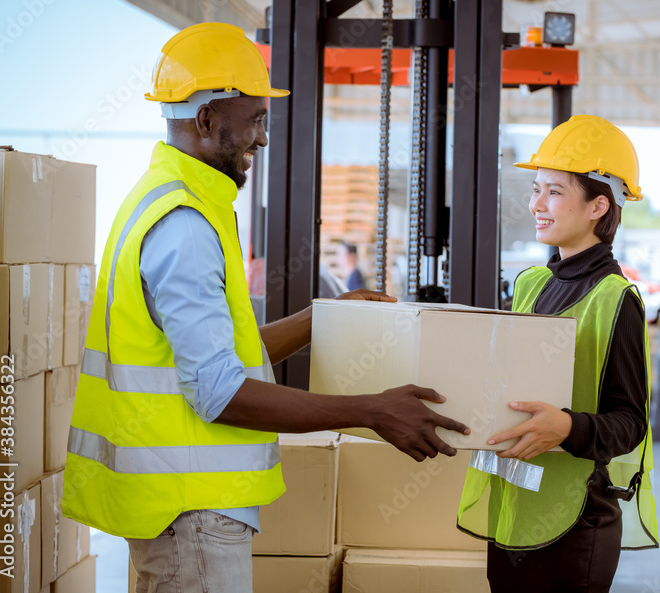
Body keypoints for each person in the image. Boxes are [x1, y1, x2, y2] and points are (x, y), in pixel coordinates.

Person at [61, 23, 468, 593]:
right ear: (207, 120)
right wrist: (372, 410)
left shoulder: (172, 200)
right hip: (192, 511)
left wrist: (323, 318)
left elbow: (225, 353)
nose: (264, 138)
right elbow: (220, 390)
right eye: (255, 119)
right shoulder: (185, 225)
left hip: (184, 510)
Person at [458, 115, 659, 593]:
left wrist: (568, 427)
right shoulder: (530, 284)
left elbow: (631, 422)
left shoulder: (617, 300)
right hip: (512, 506)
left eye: (553, 191)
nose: (536, 205)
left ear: (598, 206)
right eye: (535, 189)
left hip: (575, 521)